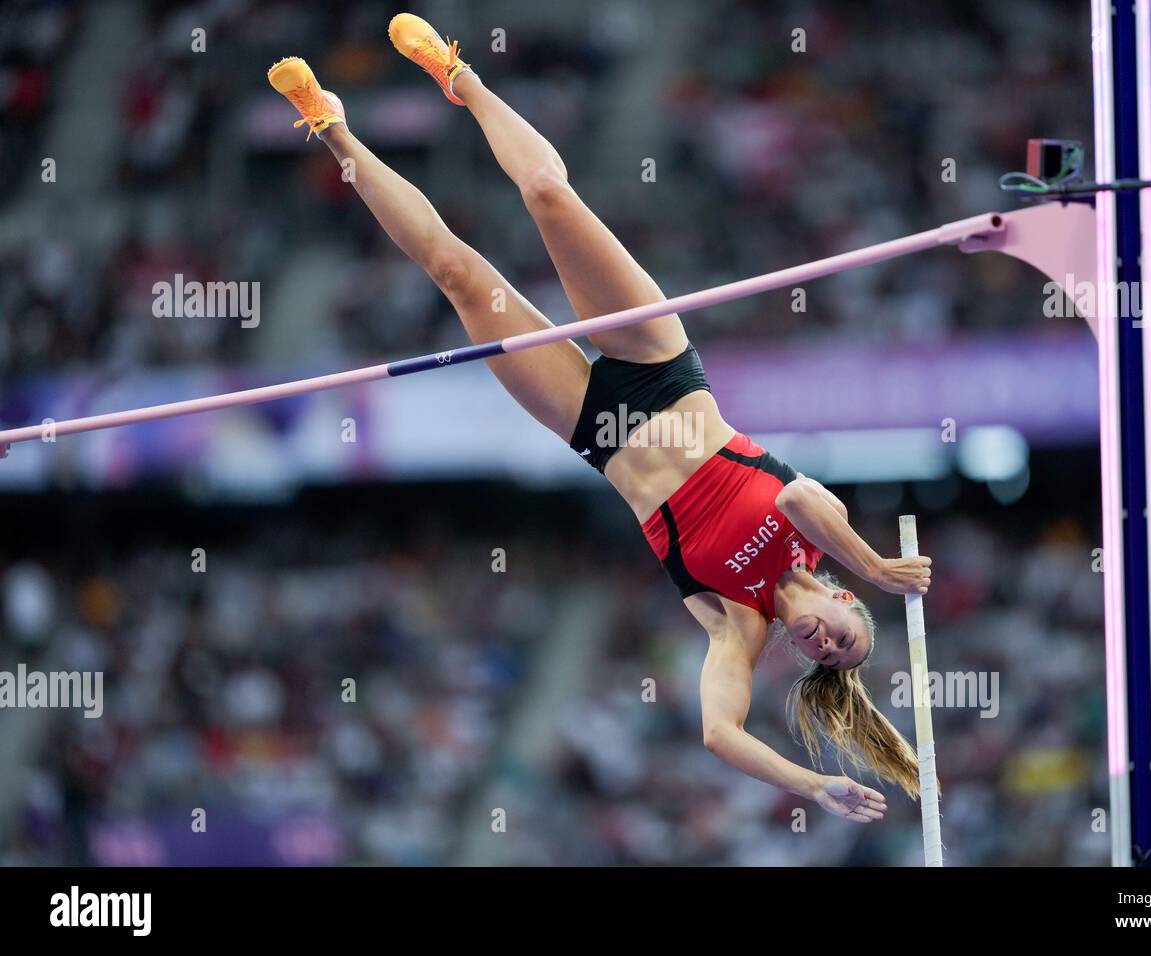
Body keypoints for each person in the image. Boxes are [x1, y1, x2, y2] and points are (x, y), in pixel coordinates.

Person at [267, 13, 933, 823]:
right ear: (843, 599)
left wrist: (812, 784)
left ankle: (331, 128)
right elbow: (794, 499)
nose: (829, 644)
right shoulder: (817, 533)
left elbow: (719, 734)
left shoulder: (739, 629)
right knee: (549, 197)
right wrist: (874, 566)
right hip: (660, 366)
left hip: (595, 430)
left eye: (826, 655)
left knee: (458, 277)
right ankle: (460, 78)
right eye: (847, 633)